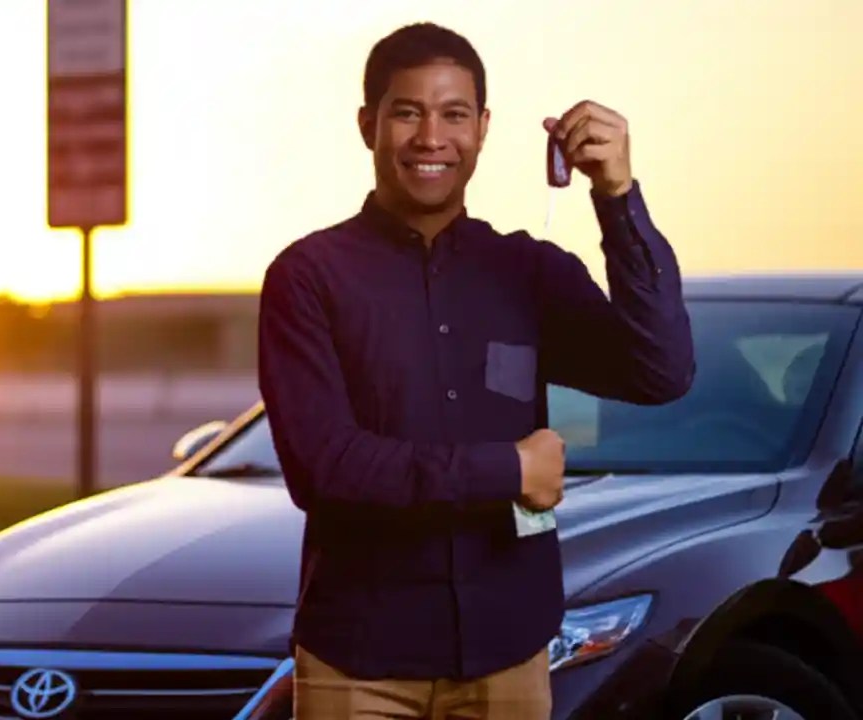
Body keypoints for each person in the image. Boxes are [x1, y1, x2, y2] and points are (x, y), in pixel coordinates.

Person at [256, 21, 696, 720]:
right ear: (369, 124)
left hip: (508, 654)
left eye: (454, 114)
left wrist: (617, 196)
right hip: (360, 662)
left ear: (484, 128)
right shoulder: (308, 279)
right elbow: (323, 468)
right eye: (408, 112)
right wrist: (507, 470)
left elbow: (661, 371)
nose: (432, 137)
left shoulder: (529, 272)